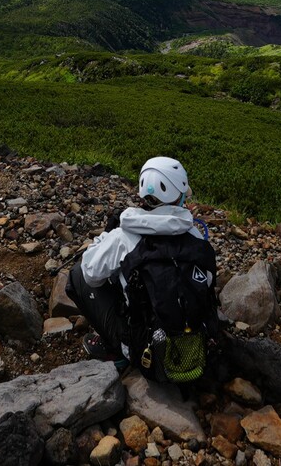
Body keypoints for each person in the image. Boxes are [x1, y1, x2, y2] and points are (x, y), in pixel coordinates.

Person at [66, 155, 223, 383]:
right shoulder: (196, 237)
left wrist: (105, 237)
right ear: (178, 196)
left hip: (146, 355)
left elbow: (91, 274)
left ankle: (117, 351)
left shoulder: (124, 236)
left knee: (78, 276)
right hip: (195, 348)